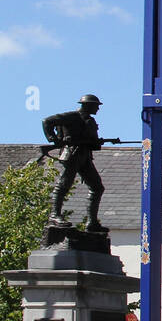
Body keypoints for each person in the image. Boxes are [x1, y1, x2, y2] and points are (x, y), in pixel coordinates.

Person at [41, 94, 109, 231]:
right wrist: (53, 139)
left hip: (84, 155)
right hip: (72, 154)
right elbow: (46, 121)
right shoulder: (72, 116)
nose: (98, 109)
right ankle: (54, 215)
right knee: (64, 184)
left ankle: (92, 222)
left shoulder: (89, 120)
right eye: (96, 106)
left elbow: (90, 141)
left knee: (97, 187)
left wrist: (97, 142)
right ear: (87, 105)